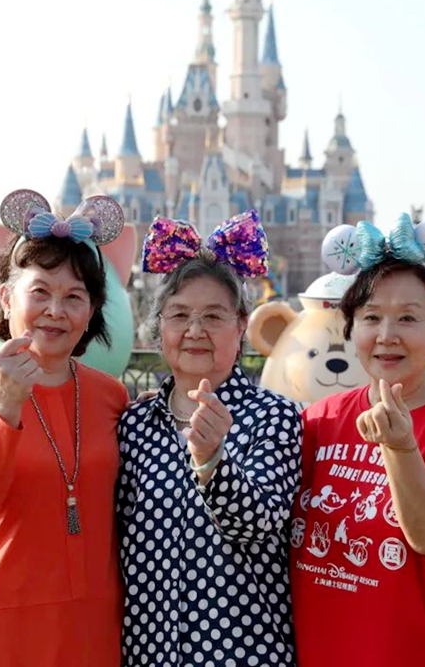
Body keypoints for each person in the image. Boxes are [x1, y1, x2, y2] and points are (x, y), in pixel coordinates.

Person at [290, 214, 425, 667]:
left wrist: (402, 448)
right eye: (371, 317)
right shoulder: (318, 420)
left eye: (408, 317)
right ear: (351, 328)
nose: (387, 336)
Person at [0, 190, 129, 666]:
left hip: (93, 629)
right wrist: (3, 407)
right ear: (6, 298)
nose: (56, 311)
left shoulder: (111, 396)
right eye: (40, 292)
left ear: (92, 312)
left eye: (74, 297)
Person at [117, 210, 302, 666]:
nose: (195, 331)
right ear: (160, 328)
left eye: (213, 316)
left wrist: (212, 460)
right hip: (149, 654)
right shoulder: (134, 424)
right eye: (179, 315)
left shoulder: (273, 417)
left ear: (241, 326)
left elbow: (259, 523)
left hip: (242, 653)